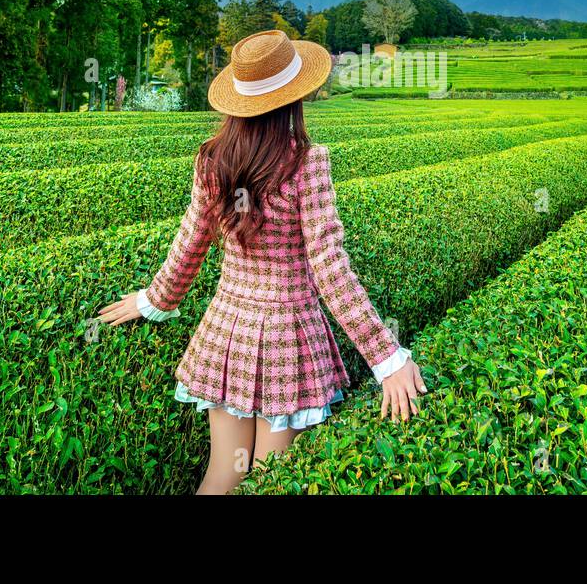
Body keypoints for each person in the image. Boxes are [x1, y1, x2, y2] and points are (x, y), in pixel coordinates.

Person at [97, 29, 426, 494]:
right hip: (287, 339)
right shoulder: (307, 162)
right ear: (294, 98)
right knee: (273, 480)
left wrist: (154, 300)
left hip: (226, 334)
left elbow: (191, 243)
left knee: (224, 472)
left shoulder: (212, 160)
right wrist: (385, 356)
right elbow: (328, 264)